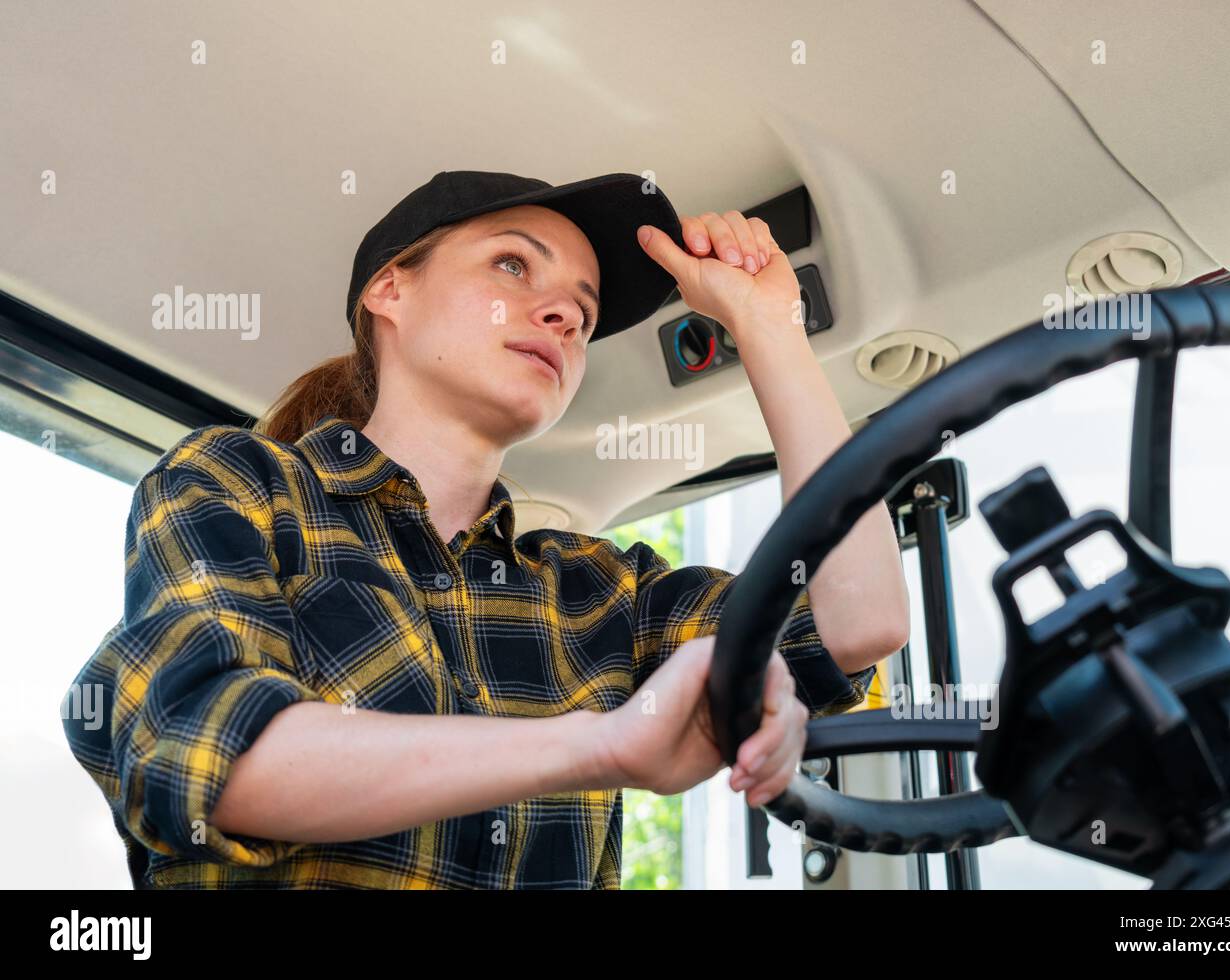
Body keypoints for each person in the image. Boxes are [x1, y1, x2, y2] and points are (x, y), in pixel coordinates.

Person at [63, 170, 909, 888]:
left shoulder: (600, 592)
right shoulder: (237, 485)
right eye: (513, 265)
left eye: (582, 308)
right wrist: (599, 745)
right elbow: (211, 755)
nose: (566, 317)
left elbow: (856, 621)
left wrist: (769, 328)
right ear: (389, 290)